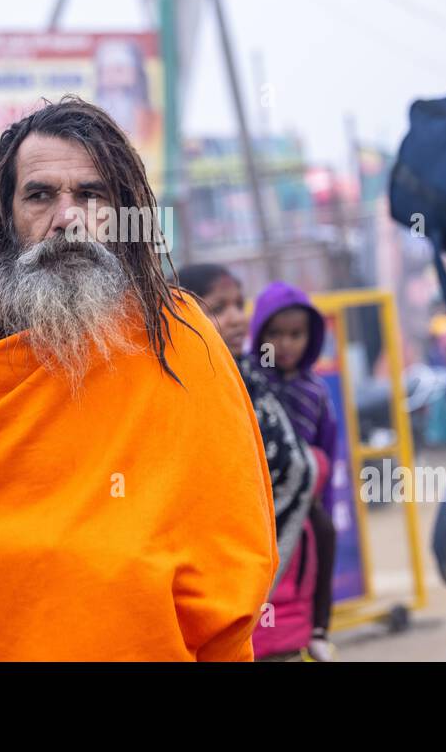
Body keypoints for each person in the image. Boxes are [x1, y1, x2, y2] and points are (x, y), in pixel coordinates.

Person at [0, 97, 277, 661]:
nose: (67, 218)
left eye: (90, 195)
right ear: (6, 219)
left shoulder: (180, 337)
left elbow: (230, 551)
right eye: (39, 196)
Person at [174, 263, 320, 661]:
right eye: (219, 308)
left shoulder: (252, 378)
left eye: (239, 304)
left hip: (281, 566)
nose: (237, 318)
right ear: (183, 315)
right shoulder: (185, 387)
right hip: (216, 579)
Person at [249, 282, 342, 662]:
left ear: (311, 337)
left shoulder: (315, 392)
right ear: (259, 335)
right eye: (275, 334)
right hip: (259, 496)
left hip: (304, 498)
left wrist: (323, 500)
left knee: (325, 532)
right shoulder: (249, 380)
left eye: (296, 334)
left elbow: (327, 448)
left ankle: (319, 627)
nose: (285, 344)